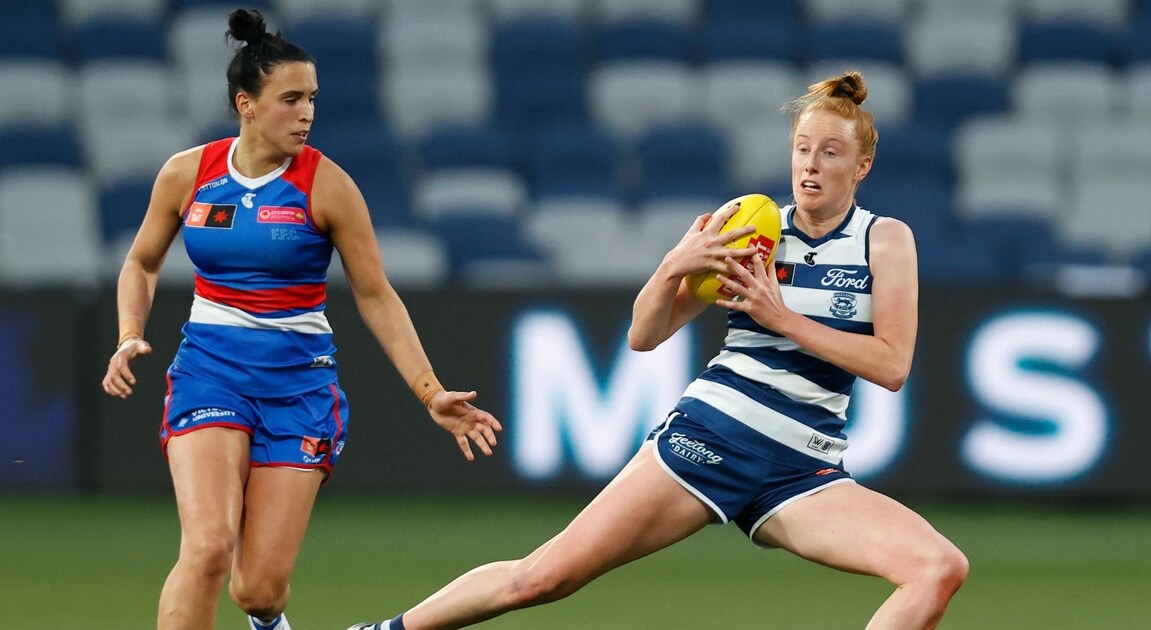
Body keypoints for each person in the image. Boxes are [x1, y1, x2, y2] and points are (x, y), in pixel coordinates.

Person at [347, 71, 968, 630]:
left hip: (800, 470)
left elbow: (891, 365)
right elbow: (643, 335)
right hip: (709, 439)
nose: (810, 165)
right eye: (801, 150)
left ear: (860, 167)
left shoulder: (884, 240)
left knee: (939, 567)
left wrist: (781, 318)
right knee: (540, 578)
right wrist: (673, 265)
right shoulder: (753, 228)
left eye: (830, 153)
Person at [99, 9, 503, 630]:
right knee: (207, 548)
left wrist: (430, 392)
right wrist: (131, 334)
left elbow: (376, 296)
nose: (306, 112)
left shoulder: (328, 186)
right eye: (290, 99)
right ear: (247, 104)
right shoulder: (189, 173)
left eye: (311, 98)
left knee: (258, 590)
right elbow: (141, 261)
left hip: (298, 389)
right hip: (211, 374)